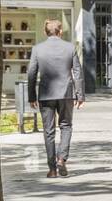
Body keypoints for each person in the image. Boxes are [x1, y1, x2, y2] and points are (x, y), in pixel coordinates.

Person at [27, 19, 84, 178]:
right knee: (66, 126)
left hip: (46, 94)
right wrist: (80, 95)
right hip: (66, 93)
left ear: (46, 32)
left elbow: (31, 73)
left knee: (48, 131)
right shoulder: (70, 47)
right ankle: (61, 159)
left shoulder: (37, 49)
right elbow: (78, 73)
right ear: (60, 32)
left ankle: (52, 170)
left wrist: (31, 96)